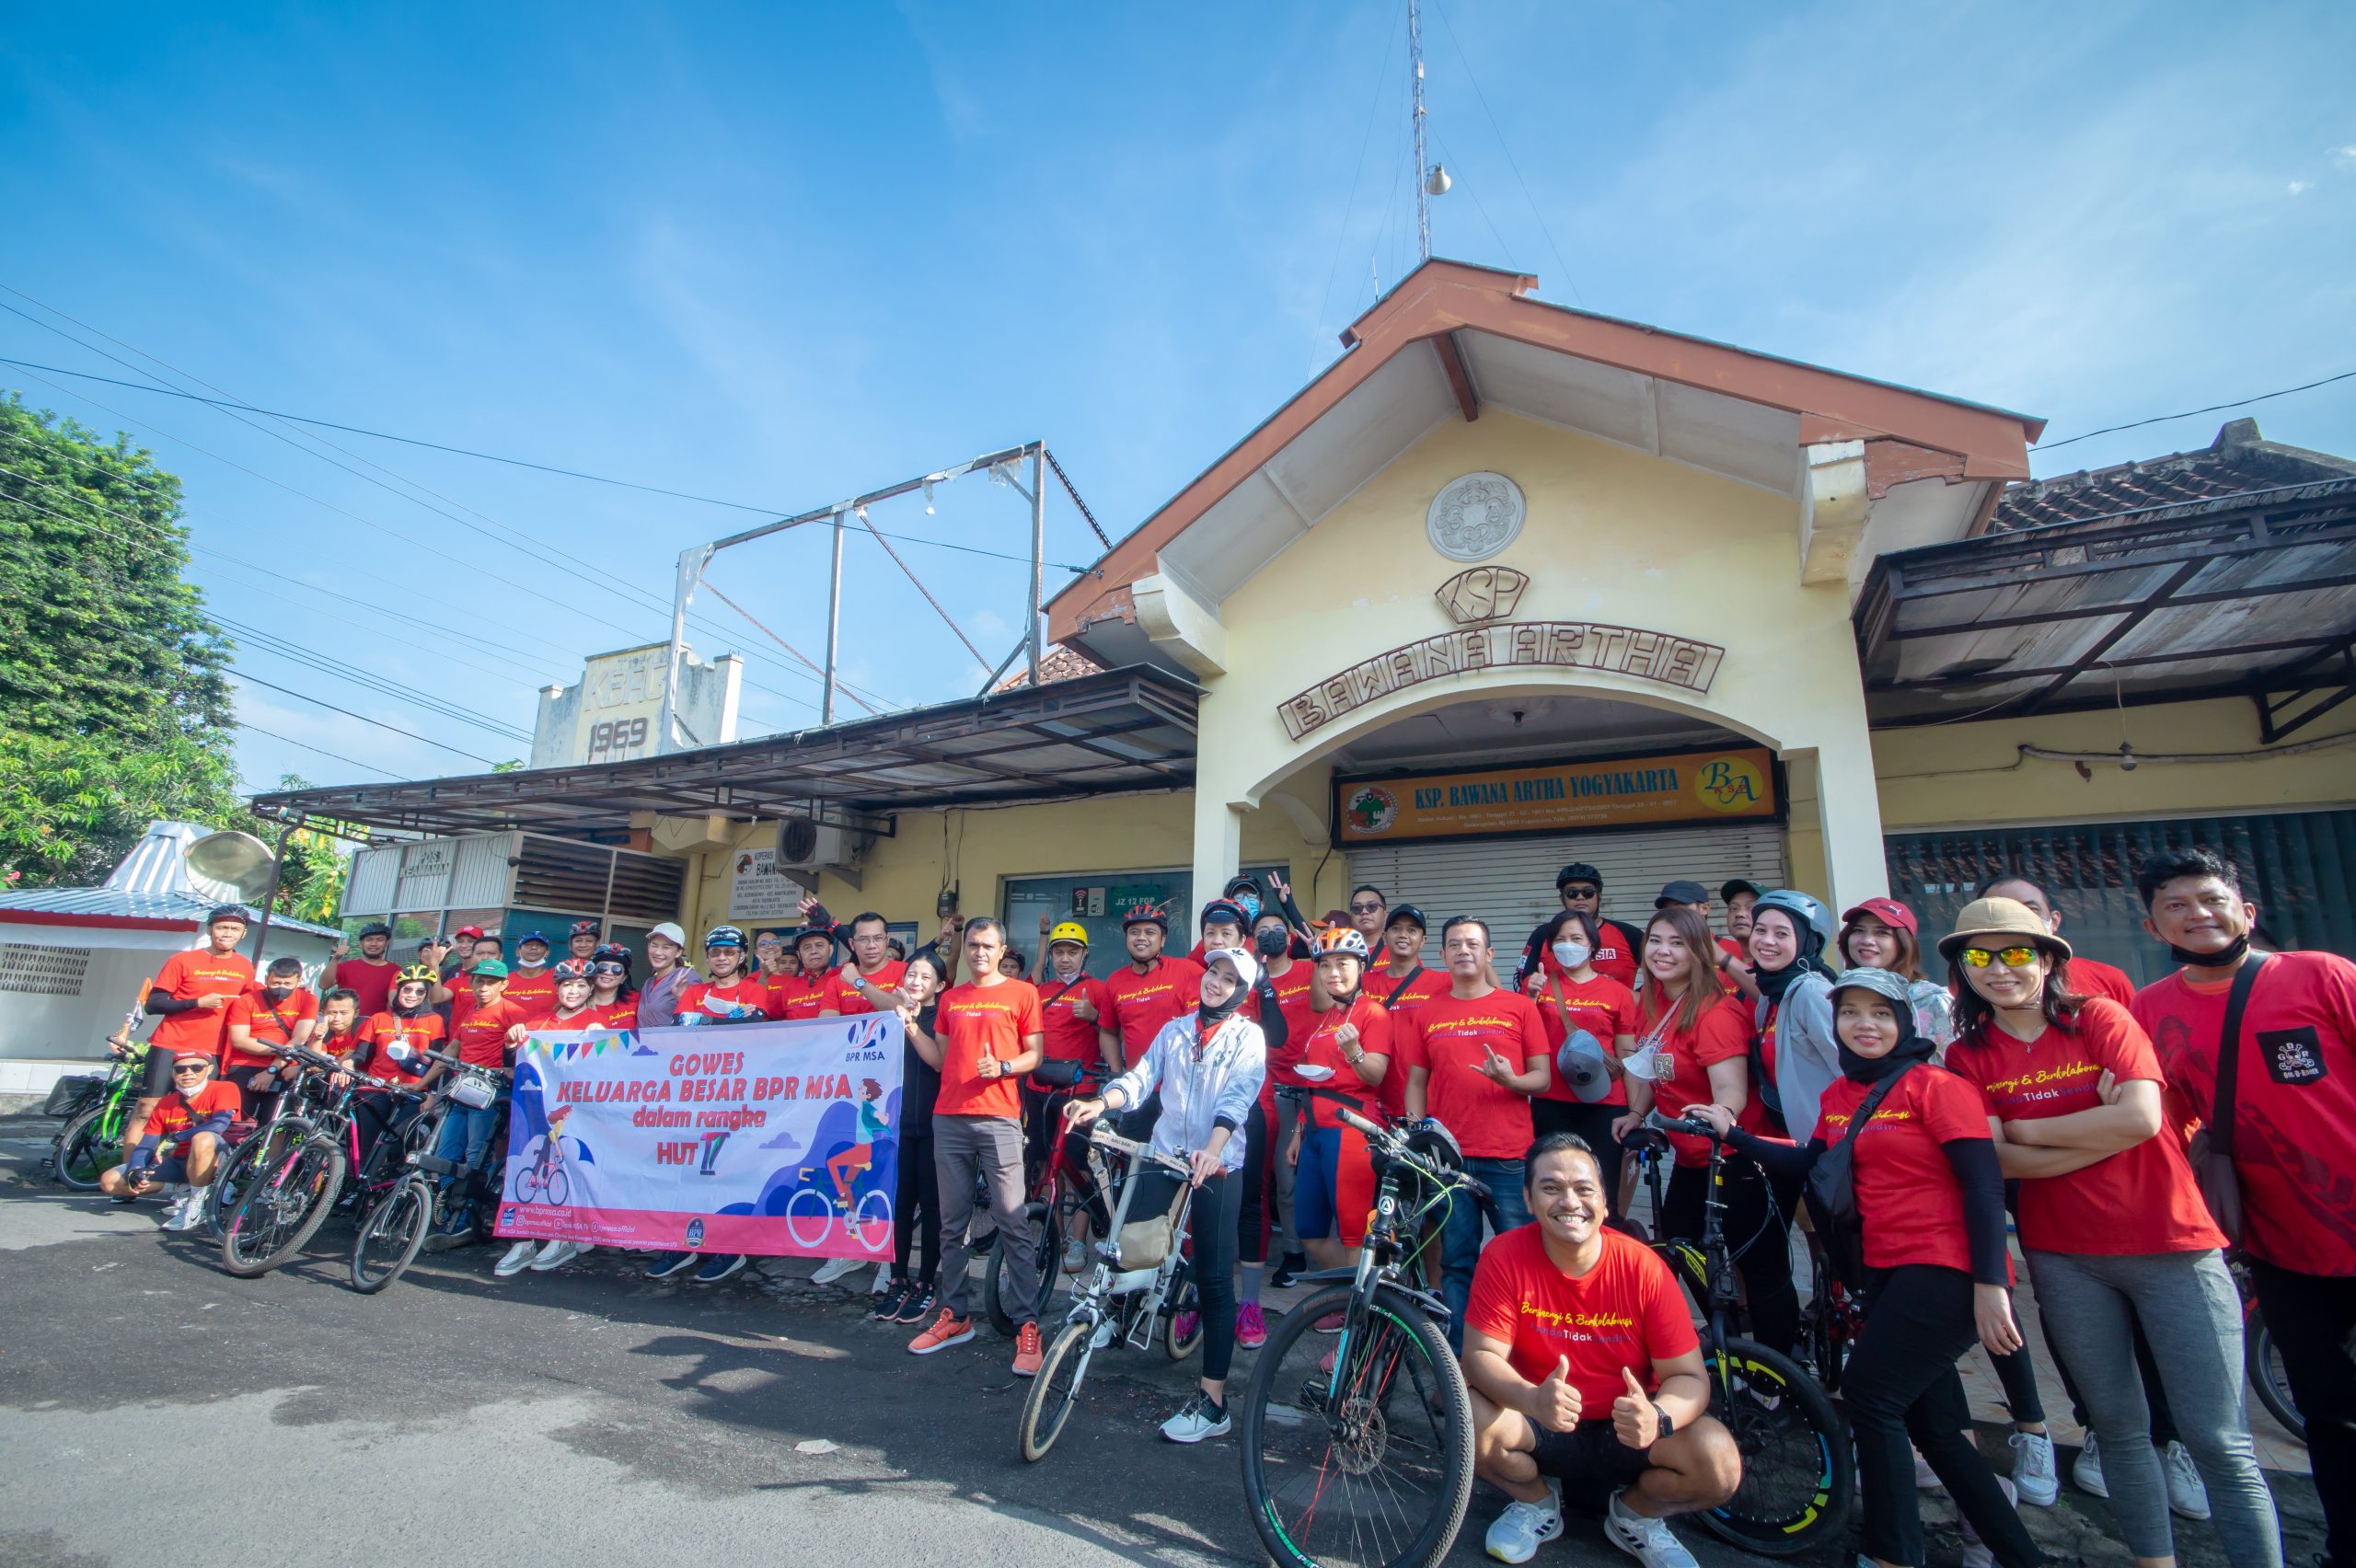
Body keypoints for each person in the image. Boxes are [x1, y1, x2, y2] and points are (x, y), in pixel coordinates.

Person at [1944, 896, 2281, 1568]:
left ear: (2046, 959)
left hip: (2173, 1246)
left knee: (2219, 1441)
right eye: (1980, 955)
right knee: (2120, 1432)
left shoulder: (2100, 1017)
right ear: (1963, 970)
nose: (1999, 969)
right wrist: (2088, 1128)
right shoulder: (1967, 1054)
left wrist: (2026, 1130)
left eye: (2015, 952)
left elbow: (2141, 1121)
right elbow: (1993, 1159)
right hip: (2066, 1257)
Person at [1691, 968, 2042, 1568]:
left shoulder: (1938, 1086)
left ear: (1904, 1021)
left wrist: (1991, 1285)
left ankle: (1892, 1554)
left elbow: (1984, 1189)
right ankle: (2022, 1556)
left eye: (1880, 1013)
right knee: (1932, 1427)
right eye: (1851, 1013)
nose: (1864, 1025)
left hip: (1947, 1267)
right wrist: (1736, 1135)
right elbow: (1808, 1162)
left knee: (1870, 1397)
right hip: (1885, 1270)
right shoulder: (1840, 1097)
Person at [2132, 847, 2356, 1568]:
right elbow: (2159, 1126)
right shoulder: (2152, 1009)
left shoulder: (2323, 975)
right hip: (2282, 1246)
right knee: (2330, 1412)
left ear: (2246, 911)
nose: (2197, 914)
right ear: (2153, 925)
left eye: (2210, 898)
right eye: (2176, 905)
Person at [1466, 1133, 1740, 1568]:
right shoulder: (1503, 1255)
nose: (1569, 1201)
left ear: (1605, 1202)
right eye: (1551, 1188)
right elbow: (1480, 1358)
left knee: (1719, 1461)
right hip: (1540, 1423)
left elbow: (1689, 1378)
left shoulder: (1643, 1267)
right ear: (1529, 1198)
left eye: (1583, 1188)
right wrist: (1531, 1398)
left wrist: (1659, 1417)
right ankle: (1535, 1504)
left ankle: (1636, 1515)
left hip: (1631, 1433)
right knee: (1466, 1415)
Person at [1066, 946, 1268, 1443]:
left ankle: (1212, 1403)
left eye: (1228, 980)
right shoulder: (1175, 1029)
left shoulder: (1249, 1036)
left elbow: (1238, 1097)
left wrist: (1214, 1149)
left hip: (1217, 1163)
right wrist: (1101, 1103)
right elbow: (1139, 1080)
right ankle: (1117, 1313)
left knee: (1217, 1282)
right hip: (1165, 1152)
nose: (1215, 983)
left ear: (1242, 992)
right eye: (1212, 973)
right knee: (1125, 1245)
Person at [1613, 905, 1797, 1355]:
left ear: (1700, 952)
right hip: (1694, 1158)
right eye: (1655, 940)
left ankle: (1775, 1374)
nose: (1663, 951)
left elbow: (1731, 1089)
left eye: (1678, 943)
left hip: (1742, 1156)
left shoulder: (1715, 1012)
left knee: (1761, 1267)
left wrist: (1721, 1114)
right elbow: (1655, 1071)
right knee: (1682, 1247)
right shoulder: (1651, 1003)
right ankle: (1732, 1339)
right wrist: (1636, 1113)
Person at [904, 917, 1046, 1377]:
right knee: (951, 1224)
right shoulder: (950, 998)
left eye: (987, 945)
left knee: (1012, 1219)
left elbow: (1035, 1055)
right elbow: (940, 1059)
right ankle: (956, 1315)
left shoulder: (1023, 993)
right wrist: (910, 1026)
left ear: (1002, 948)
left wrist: (1003, 1066)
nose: (979, 952)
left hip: (1000, 1118)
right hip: (949, 1118)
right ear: (964, 949)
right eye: (972, 945)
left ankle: (1027, 1324)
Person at [1400, 916, 1548, 1350]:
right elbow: (1415, 1082)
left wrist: (1511, 1081)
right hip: (1449, 1161)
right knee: (1457, 1262)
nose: (1464, 951)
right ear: (1442, 956)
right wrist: (1417, 1136)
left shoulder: (1519, 1007)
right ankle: (1462, 1362)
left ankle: (1527, 1356)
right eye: (1454, 945)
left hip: (1508, 1157)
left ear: (1489, 954)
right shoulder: (1428, 1011)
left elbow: (1542, 1078)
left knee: (1523, 1259)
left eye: (1472, 944)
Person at [1288, 926, 1392, 1274]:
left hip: (1352, 1131)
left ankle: (1359, 1320)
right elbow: (1314, 1079)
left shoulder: (1372, 1012)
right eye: (1325, 965)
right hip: (1315, 1129)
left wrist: (1354, 1051)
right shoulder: (1328, 1016)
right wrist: (1299, 1131)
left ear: (1361, 967)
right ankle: (1345, 1296)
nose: (1333, 972)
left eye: (1343, 963)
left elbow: (1375, 1075)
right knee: (1309, 1231)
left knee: (1354, 1234)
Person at [1521, 908, 1640, 1212]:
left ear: (1593, 945)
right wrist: (1530, 998)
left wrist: (1636, 1111)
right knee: (1550, 1185)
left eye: (1576, 938)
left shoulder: (1619, 993)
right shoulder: (1539, 986)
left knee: (1602, 1189)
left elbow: (1627, 1053)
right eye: (1559, 939)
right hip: (1551, 1100)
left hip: (1606, 1105)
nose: (1567, 945)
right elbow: (1522, 1040)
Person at [494, 958, 606, 1278]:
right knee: (525, 1168)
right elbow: (514, 1064)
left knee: (568, 1168)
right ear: (557, 988)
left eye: (581, 985)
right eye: (568, 985)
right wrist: (510, 1040)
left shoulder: (595, 1022)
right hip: (532, 1110)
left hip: (575, 1112)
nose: (574, 991)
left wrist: (599, 1038)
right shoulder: (539, 1022)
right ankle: (523, 1238)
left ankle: (564, 1235)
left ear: (590, 989)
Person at [134, 905, 254, 1158]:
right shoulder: (182, 960)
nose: (227, 933)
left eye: (235, 929)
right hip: (171, 1043)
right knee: (147, 1108)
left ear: (243, 934)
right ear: (210, 929)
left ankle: (186, 1179)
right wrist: (196, 1003)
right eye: (222, 927)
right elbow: (153, 1004)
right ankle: (130, 1174)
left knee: (204, 1116)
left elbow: (251, 1004)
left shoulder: (245, 966)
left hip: (213, 1050)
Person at [429, 960, 534, 1245]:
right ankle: (448, 1209)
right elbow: (454, 1048)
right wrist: (422, 1081)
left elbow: (521, 1057)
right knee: (445, 1154)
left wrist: (504, 1072)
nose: (483, 987)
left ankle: (466, 1218)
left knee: (476, 1156)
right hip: (461, 1090)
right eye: (478, 981)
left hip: (490, 1093)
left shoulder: (513, 1012)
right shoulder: (470, 1011)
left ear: (504, 985)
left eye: (490, 982)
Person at [1029, 919, 1111, 1271]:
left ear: (1085, 955)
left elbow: (1113, 1032)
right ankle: (1054, 1238)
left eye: (1072, 952)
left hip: (1081, 1093)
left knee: (1077, 1168)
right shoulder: (1039, 991)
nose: (1065, 959)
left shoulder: (1098, 989)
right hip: (1039, 1091)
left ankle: (1078, 1242)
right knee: (1047, 1168)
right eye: (1059, 952)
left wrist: (1094, 1017)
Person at [873, 951, 950, 1327]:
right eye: (910, 975)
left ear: (940, 985)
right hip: (897, 1127)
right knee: (899, 1206)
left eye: (924, 976)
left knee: (933, 1207)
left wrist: (909, 1023)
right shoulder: (888, 1016)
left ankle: (925, 1282)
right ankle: (897, 1279)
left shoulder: (943, 1017)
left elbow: (937, 1061)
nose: (915, 982)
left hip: (936, 1127)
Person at [97, 1051, 240, 1231]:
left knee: (202, 1138)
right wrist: (136, 1170)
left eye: (196, 1067)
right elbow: (147, 1144)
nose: (188, 1073)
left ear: (209, 1069)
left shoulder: (224, 1088)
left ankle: (197, 1206)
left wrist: (177, 1137)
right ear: (173, 1073)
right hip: (179, 1162)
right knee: (109, 1181)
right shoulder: (166, 1102)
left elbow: (219, 1125)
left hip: (217, 1159)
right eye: (181, 1069)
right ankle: (181, 1189)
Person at [1748, 890, 1839, 1155]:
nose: (1767, 941)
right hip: (1797, 1142)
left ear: (1808, 942)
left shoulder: (1812, 993)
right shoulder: (1770, 997)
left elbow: (1849, 1071)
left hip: (1829, 1143)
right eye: (1760, 930)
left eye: (1782, 934)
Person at [1980, 874, 2138, 1007]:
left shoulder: (2109, 980)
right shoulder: (1971, 984)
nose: (2019, 919)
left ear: (2054, 921)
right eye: (2000, 912)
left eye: (2031, 910)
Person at [1836, 897, 1957, 1049]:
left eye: (1881, 933)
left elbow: (1957, 1064)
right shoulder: (1838, 996)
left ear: (1903, 943)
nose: (1867, 940)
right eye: (1858, 931)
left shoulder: (1930, 1000)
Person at [1099, 904, 1203, 1072]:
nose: (1141, 937)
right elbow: (1108, 1032)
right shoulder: (1114, 981)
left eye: (1150, 932)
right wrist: (1116, 1074)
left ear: (1162, 939)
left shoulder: (1188, 971)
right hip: (1137, 1088)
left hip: (1181, 1086)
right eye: (1134, 932)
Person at [222, 955, 320, 1115]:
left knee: (277, 1123)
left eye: (288, 983)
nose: (281, 987)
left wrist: (271, 1070)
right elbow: (239, 1040)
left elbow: (299, 1038)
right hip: (245, 1064)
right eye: (276, 983)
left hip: (285, 1067)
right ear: (267, 979)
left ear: (298, 981)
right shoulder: (246, 1001)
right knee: (237, 1122)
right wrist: (283, 1049)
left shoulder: (308, 1000)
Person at [1518, 864, 1643, 990]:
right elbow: (1521, 979)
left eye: (1588, 892)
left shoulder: (1629, 934)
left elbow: (1659, 977)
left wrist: (1635, 999)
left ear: (1599, 896)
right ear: (1562, 899)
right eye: (1572, 893)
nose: (1580, 897)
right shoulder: (1543, 934)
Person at [676, 927, 773, 1024]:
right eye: (715, 952)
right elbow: (678, 1023)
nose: (721, 958)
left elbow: (752, 1023)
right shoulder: (693, 991)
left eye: (729, 952)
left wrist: (702, 1021)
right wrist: (731, 1020)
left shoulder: (755, 990)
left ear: (741, 957)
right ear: (707, 958)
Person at [818, 912, 907, 1017]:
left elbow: (905, 1011)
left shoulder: (906, 971)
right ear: (851, 944)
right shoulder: (837, 981)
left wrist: (858, 982)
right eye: (863, 939)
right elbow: (828, 1025)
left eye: (878, 938)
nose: (871, 945)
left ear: (887, 940)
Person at [636, 922, 700, 1030]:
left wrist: (682, 998)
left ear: (679, 952)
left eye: (666, 947)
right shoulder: (649, 983)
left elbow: (698, 1018)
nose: (657, 952)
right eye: (654, 945)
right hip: (644, 1045)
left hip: (671, 1044)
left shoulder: (687, 977)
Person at [328, 922, 399, 1015]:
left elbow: (394, 1004)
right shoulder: (346, 966)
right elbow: (324, 985)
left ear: (387, 943)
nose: (374, 944)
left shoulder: (396, 972)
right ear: (361, 943)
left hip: (375, 1026)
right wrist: (335, 959)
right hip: (344, 1024)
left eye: (380, 940)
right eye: (369, 940)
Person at [768, 925, 837, 1020]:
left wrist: (832, 923)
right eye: (807, 947)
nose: (813, 951)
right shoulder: (788, 987)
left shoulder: (842, 977)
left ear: (831, 949)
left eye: (819, 945)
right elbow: (767, 1017)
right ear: (799, 955)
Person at [504, 931, 557, 1014]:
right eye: (528, 945)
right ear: (518, 951)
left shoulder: (557, 979)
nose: (533, 947)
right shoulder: (504, 981)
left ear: (547, 952)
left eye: (539, 945)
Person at [585, 944, 638, 1026]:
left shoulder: (637, 999)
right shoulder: (578, 1000)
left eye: (616, 970)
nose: (608, 973)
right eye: (602, 968)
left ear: (624, 978)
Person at [1720, 881, 1761, 947]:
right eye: (1734, 908)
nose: (1739, 914)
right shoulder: (1714, 955)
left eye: (1751, 907)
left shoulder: (1781, 956)